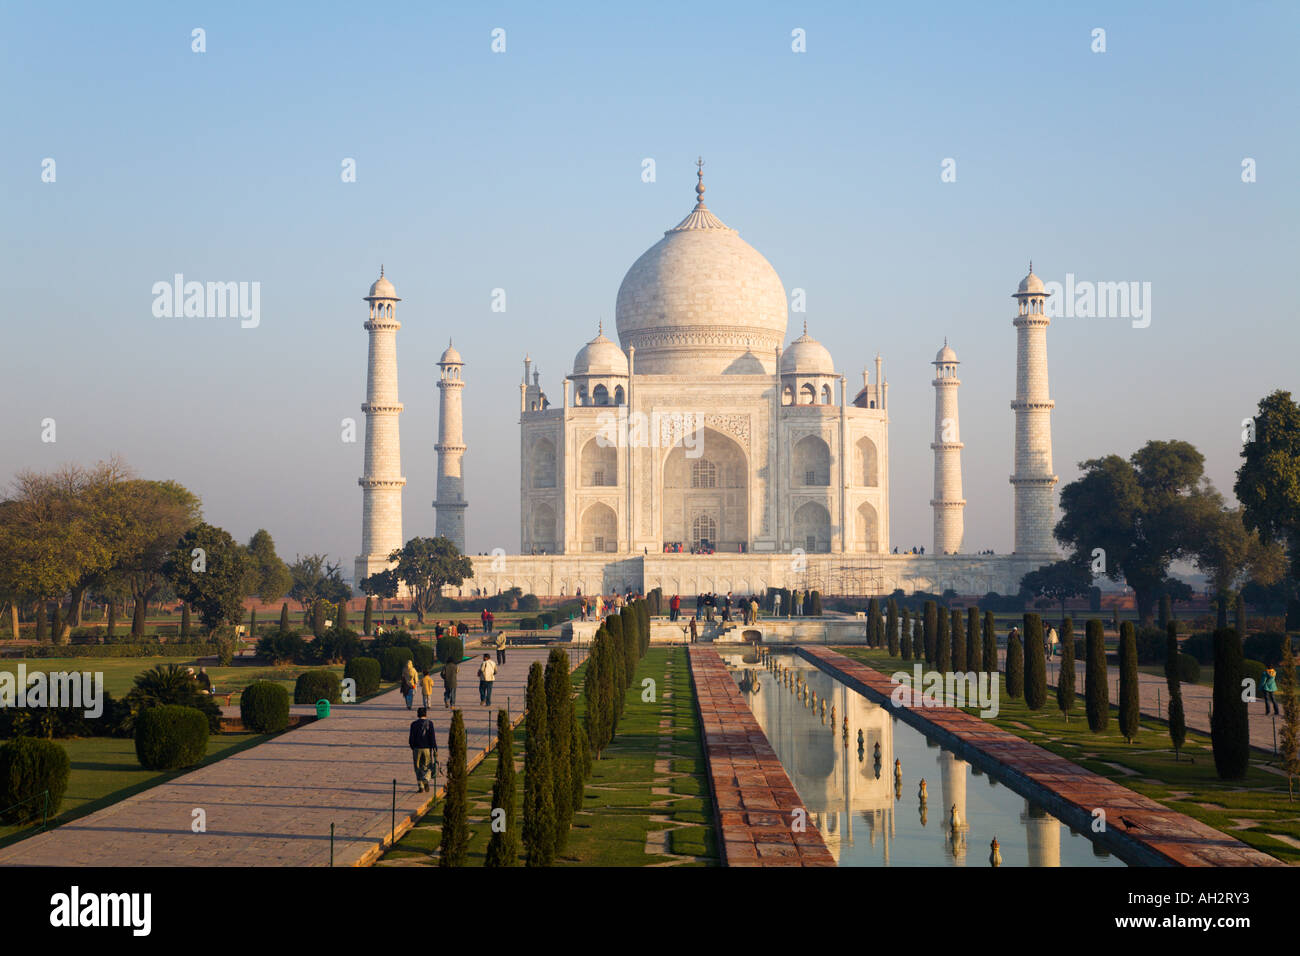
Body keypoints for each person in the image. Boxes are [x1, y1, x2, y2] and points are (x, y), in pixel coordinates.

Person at [408, 706, 438, 793]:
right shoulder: (430, 723)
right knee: (427, 766)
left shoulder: (413, 724)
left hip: (417, 749)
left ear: (418, 714)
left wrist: (413, 747)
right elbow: (432, 738)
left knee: (417, 768)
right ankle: (426, 779)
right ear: (426, 714)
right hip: (427, 749)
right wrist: (435, 748)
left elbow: (411, 738)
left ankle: (420, 786)